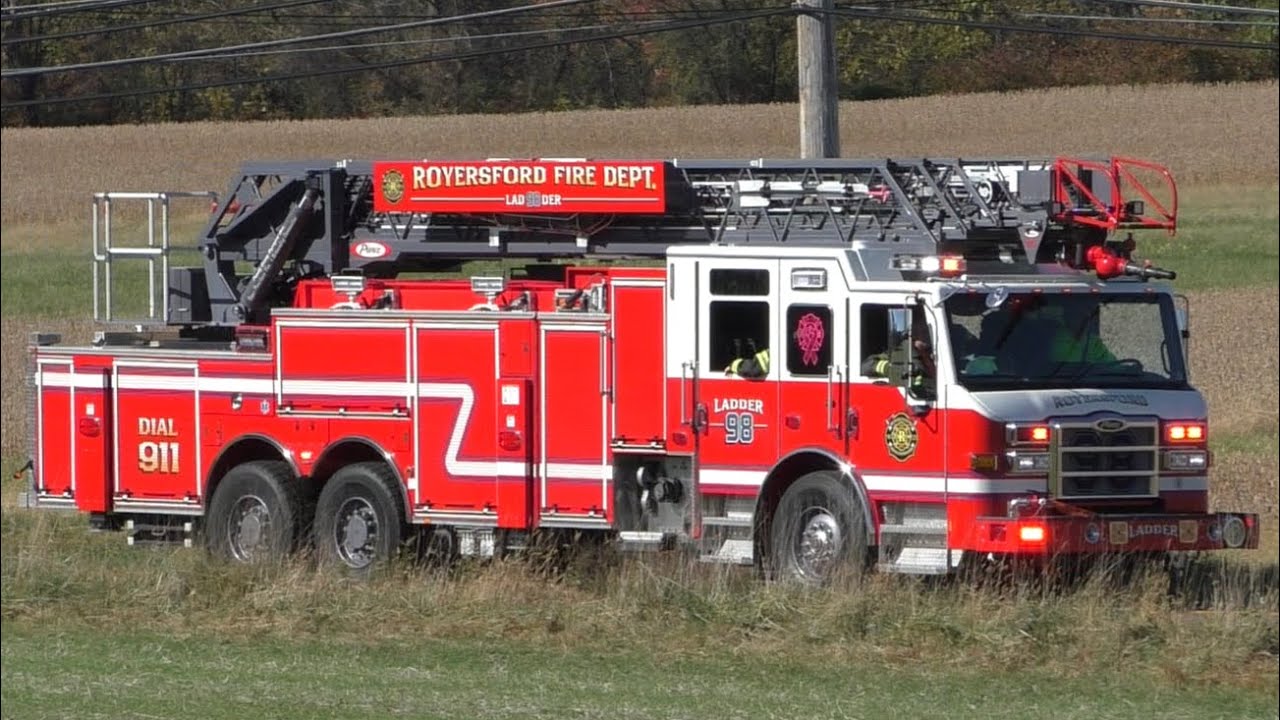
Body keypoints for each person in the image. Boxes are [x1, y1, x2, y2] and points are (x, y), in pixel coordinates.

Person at [862, 309, 935, 396]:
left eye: (928, 330)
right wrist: (895, 369)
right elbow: (866, 366)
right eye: (924, 330)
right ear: (913, 332)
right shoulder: (899, 352)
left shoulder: (938, 354)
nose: (928, 334)